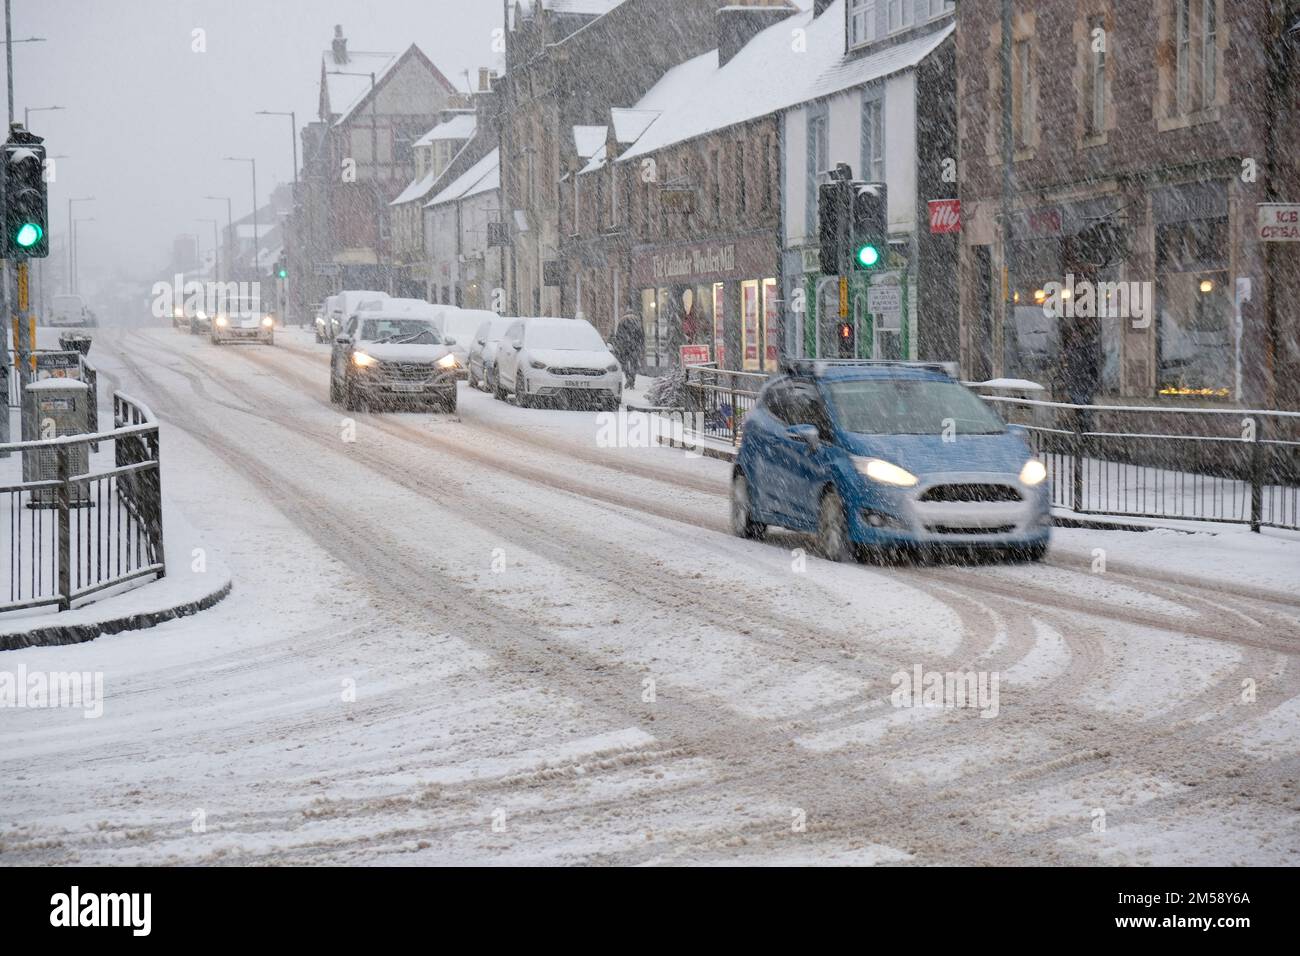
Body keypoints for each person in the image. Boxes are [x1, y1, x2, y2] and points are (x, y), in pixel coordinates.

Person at [612, 313, 644, 390]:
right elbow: (642, 335)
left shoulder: (622, 322)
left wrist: (619, 346)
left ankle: (628, 378)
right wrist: (641, 346)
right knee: (634, 364)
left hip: (624, 346)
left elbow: (618, 335)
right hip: (635, 347)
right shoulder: (637, 322)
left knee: (625, 364)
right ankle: (632, 380)